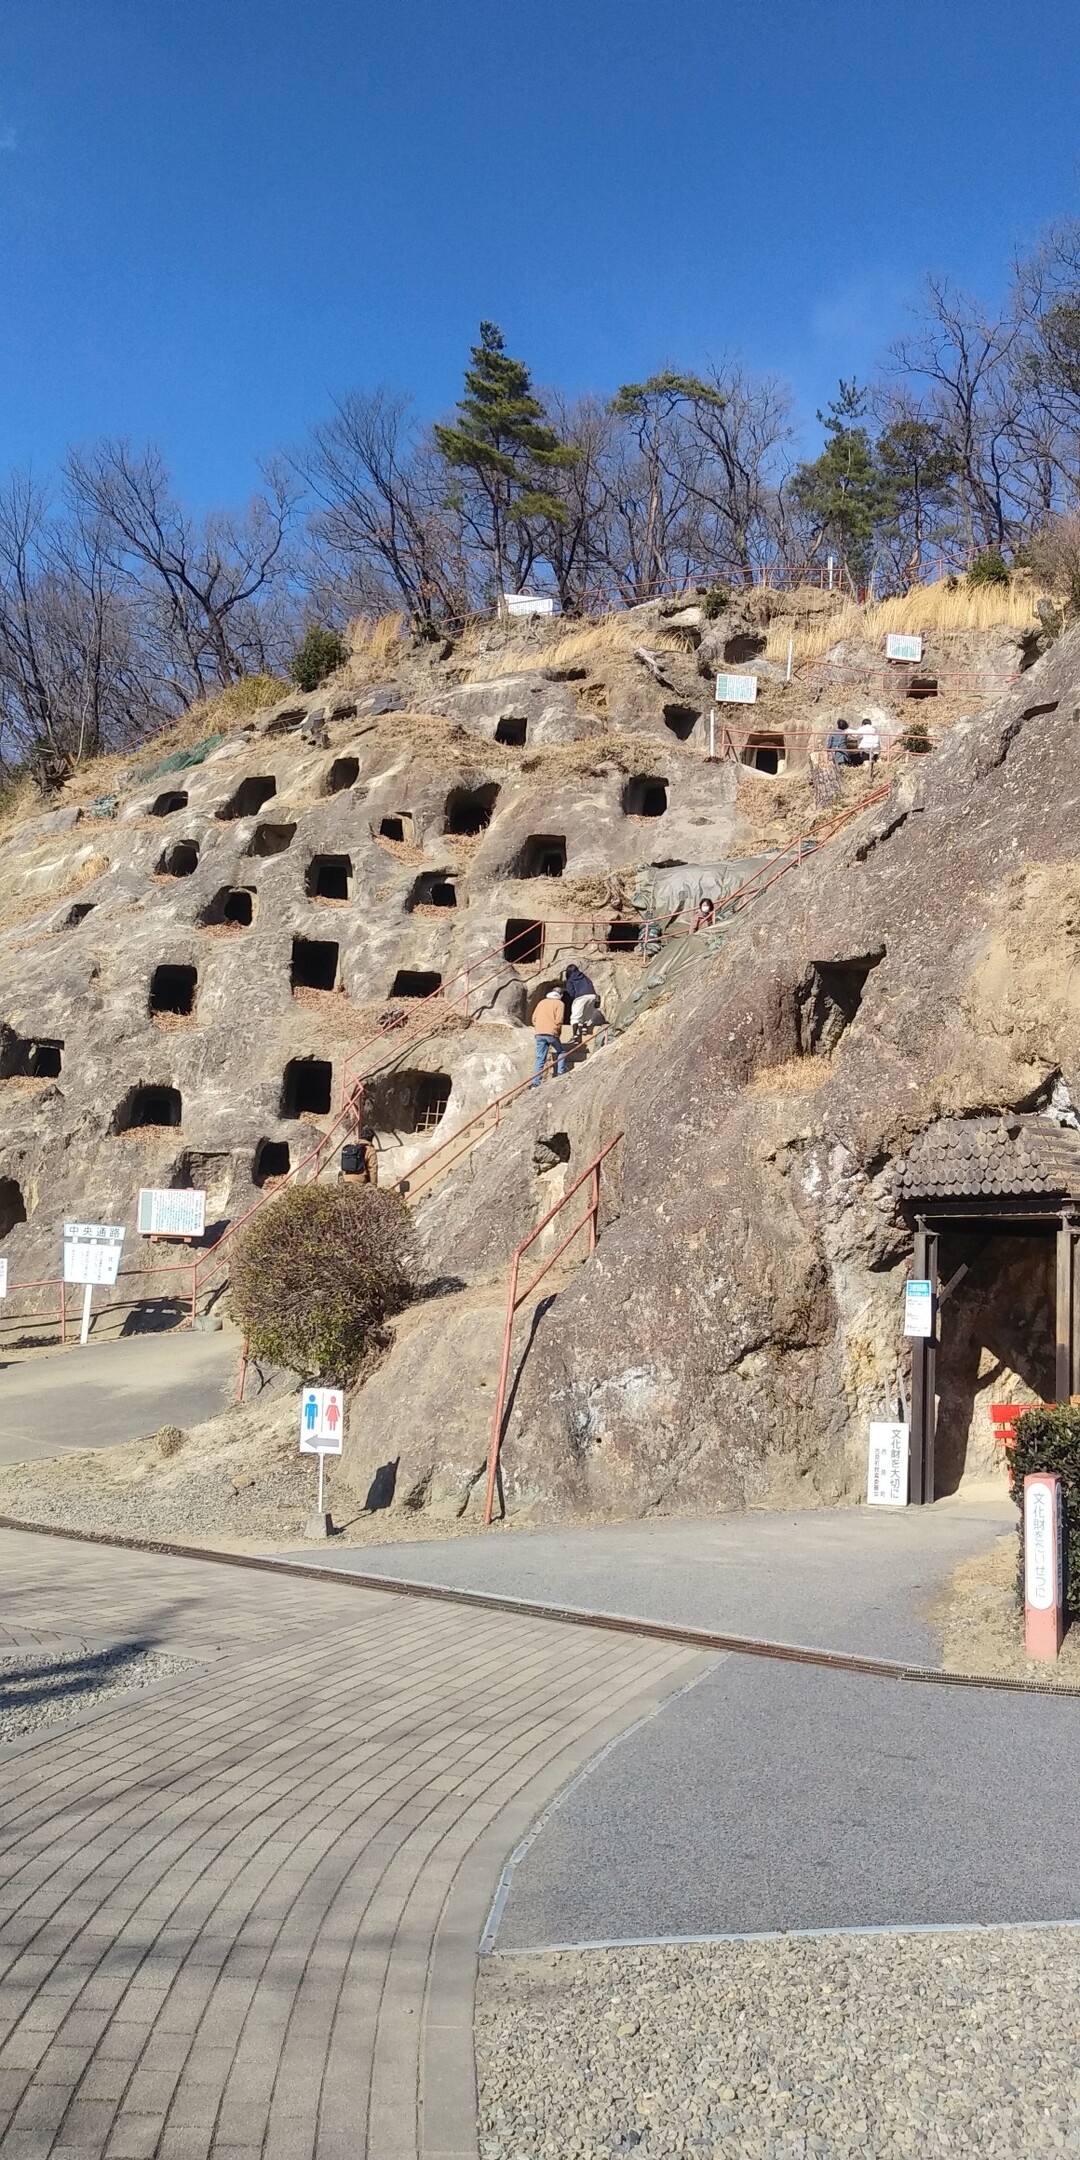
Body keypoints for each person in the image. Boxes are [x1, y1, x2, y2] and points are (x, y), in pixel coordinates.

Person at [531, 984, 567, 1086]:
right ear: (561, 994)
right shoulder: (559, 1003)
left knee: (540, 1058)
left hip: (539, 1033)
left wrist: (538, 1027)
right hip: (551, 1033)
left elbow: (534, 1018)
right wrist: (557, 1031)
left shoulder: (542, 1002)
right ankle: (560, 1073)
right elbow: (559, 1019)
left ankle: (535, 1082)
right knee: (562, 1051)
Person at [562, 962, 601, 1039]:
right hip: (592, 995)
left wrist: (573, 997)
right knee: (586, 1013)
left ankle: (575, 1035)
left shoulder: (570, 979)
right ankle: (584, 1028)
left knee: (575, 1016)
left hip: (581, 997)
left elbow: (570, 991)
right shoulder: (585, 977)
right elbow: (591, 984)